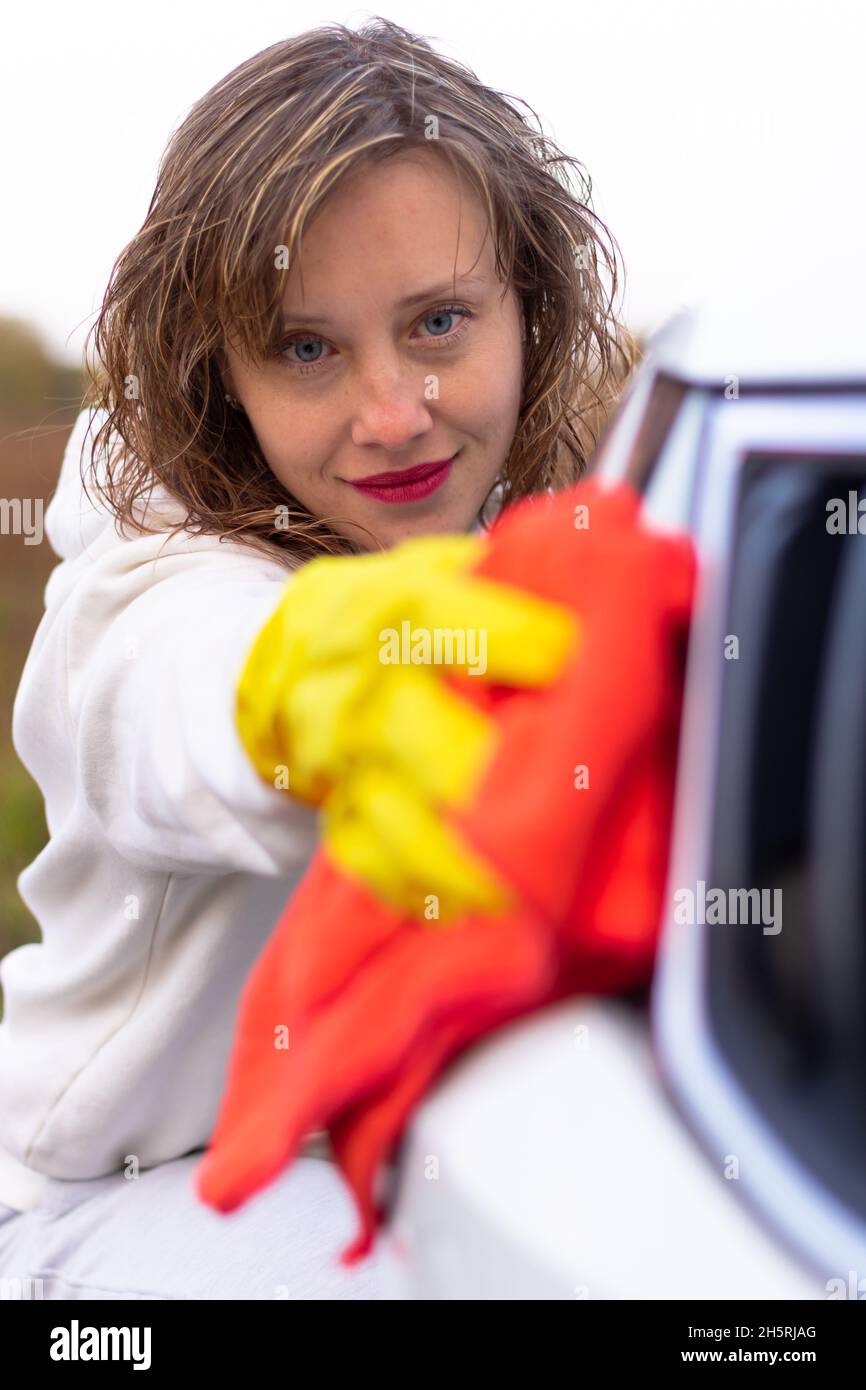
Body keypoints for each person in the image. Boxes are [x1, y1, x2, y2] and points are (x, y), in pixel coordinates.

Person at [0, 16, 637, 1300]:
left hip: (415, 1157)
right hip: (112, 1208)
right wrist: (297, 690)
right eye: (305, 347)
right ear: (218, 369)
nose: (391, 411)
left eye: (440, 323)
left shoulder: (558, 538)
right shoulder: (148, 577)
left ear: (530, 302)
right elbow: (159, 706)